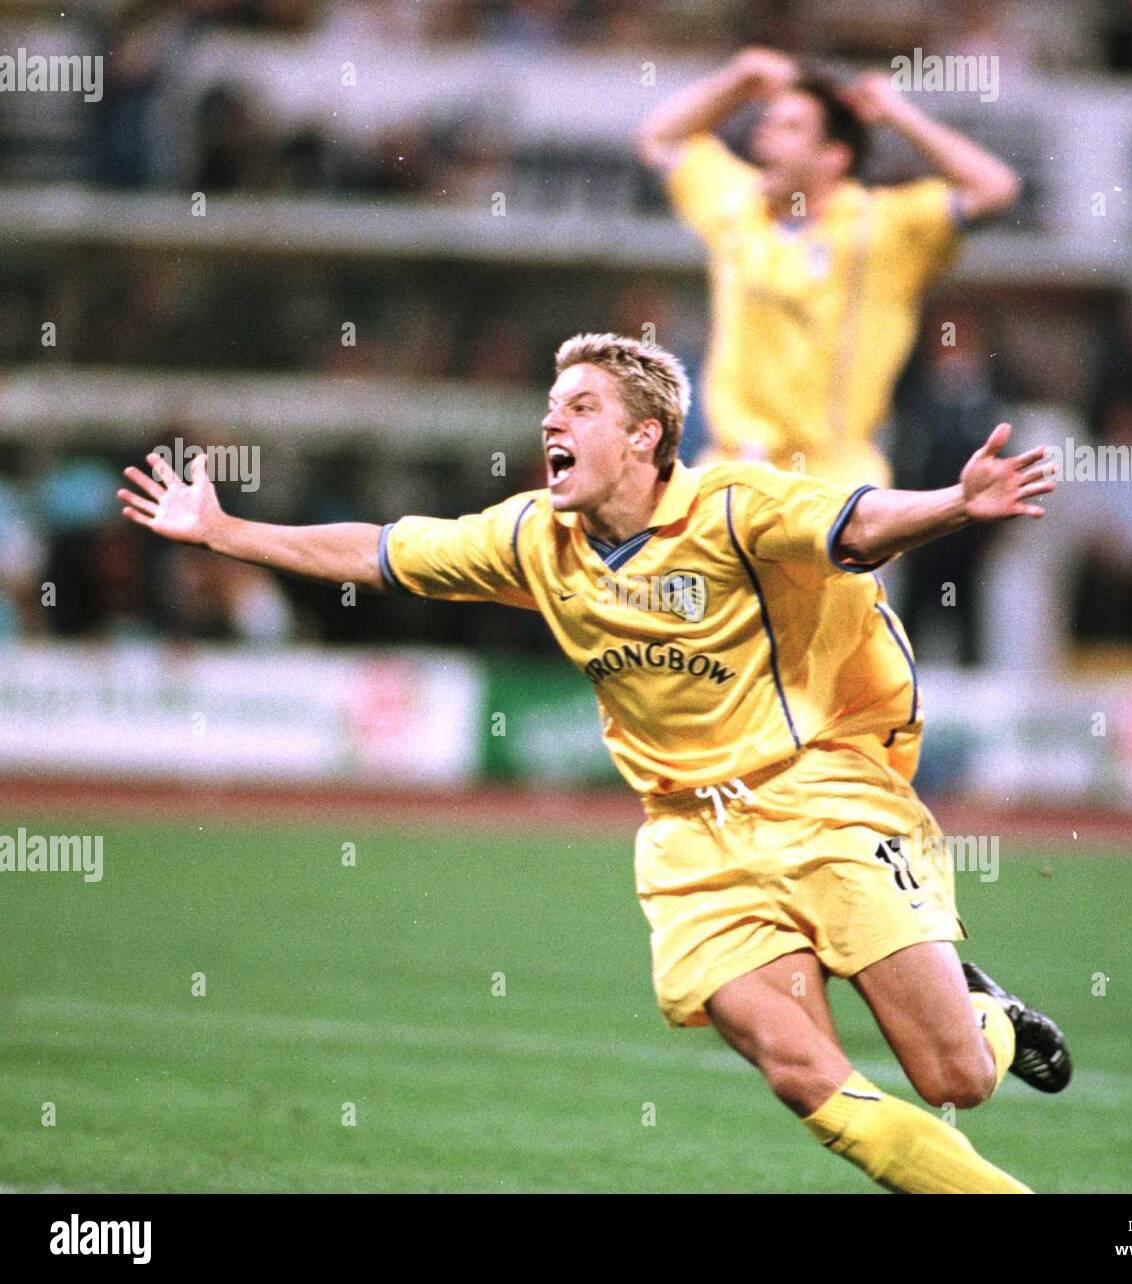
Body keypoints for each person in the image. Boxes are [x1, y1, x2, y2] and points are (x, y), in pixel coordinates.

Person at [118, 332, 1068, 1194]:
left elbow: (858, 525)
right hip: (693, 845)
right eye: (549, 409)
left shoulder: (736, 506)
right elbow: (381, 551)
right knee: (803, 1076)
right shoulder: (536, 536)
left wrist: (957, 502)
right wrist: (225, 532)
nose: (551, 422)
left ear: (647, 437)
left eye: (579, 408)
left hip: (821, 796)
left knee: (956, 1079)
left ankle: (993, 1020)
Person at [638, 47, 1021, 485]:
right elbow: (659, 139)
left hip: (830, 483)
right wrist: (738, 81)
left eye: (791, 127)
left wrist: (898, 114)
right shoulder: (737, 202)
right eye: (768, 124)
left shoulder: (883, 226)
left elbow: (997, 188)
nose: (765, 140)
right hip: (727, 473)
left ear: (833, 156)